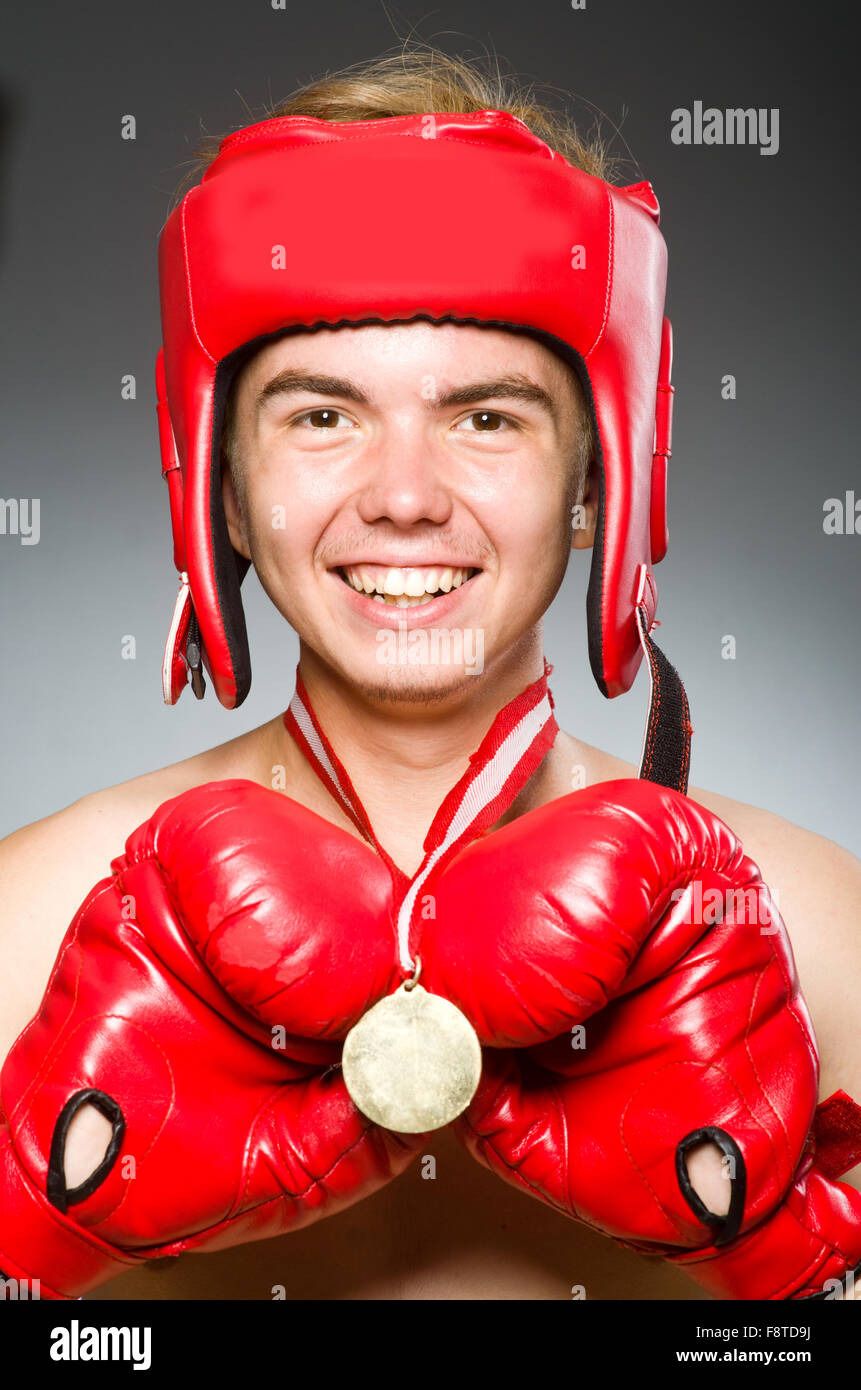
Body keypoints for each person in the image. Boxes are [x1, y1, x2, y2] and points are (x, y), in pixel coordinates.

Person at [1, 46, 859, 1302]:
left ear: (597, 487)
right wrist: (28, 1242)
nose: (404, 498)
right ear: (226, 495)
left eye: (487, 416)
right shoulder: (28, 925)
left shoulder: (809, 930)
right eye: (321, 414)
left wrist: (796, 1267)